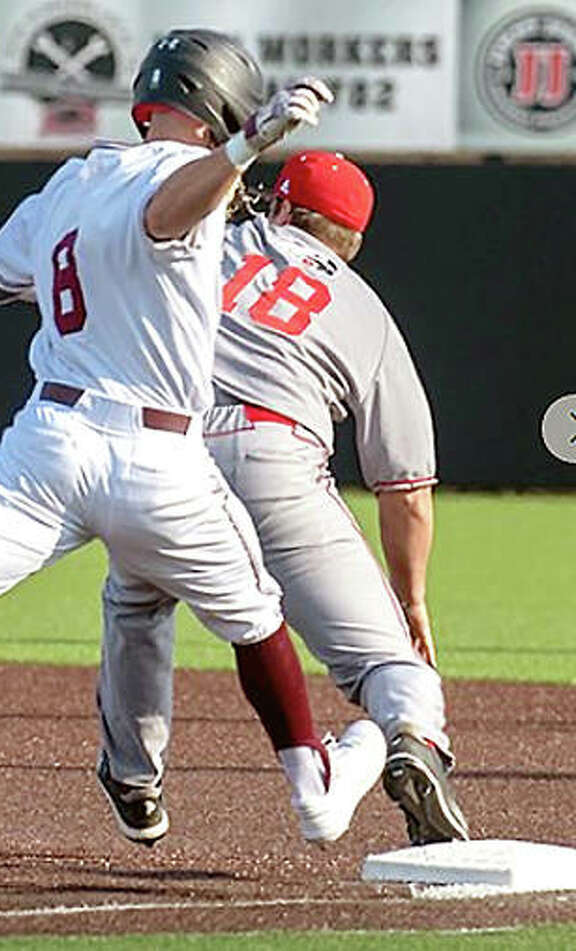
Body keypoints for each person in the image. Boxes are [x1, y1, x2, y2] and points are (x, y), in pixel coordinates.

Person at [0, 31, 384, 847]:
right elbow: (166, 212)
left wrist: (100, 279)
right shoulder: (186, 172)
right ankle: (311, 781)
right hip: (159, 455)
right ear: (219, 108)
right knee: (257, 619)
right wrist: (245, 145)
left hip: (47, 438)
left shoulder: (69, 181)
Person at [199, 151, 468, 845]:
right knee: (392, 667)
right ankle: (413, 738)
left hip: (165, 453)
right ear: (352, 241)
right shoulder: (367, 311)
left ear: (283, 208)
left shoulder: (213, 247)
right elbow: (405, 488)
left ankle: (135, 774)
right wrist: (411, 602)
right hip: (275, 461)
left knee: (132, 606)